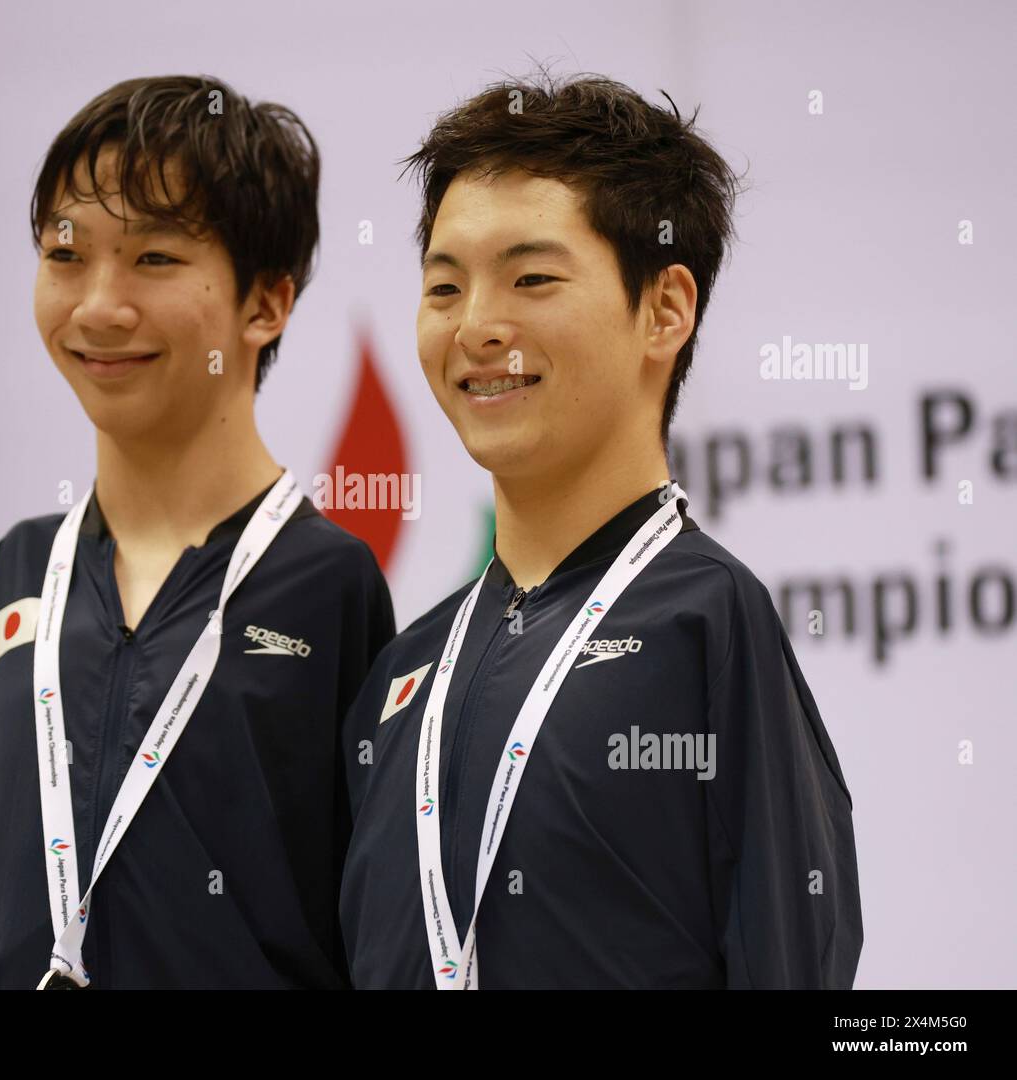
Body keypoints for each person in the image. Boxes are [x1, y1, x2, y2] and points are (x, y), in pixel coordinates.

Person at [339, 72, 863, 989]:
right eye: (444, 286)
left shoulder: (705, 620)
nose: (477, 327)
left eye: (532, 278)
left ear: (665, 310)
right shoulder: (404, 672)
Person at [0, 75, 395, 989]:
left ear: (266, 303)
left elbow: (370, 932)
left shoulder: (330, 588)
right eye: (66, 254)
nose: (98, 305)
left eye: (153, 259)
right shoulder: (23, 571)